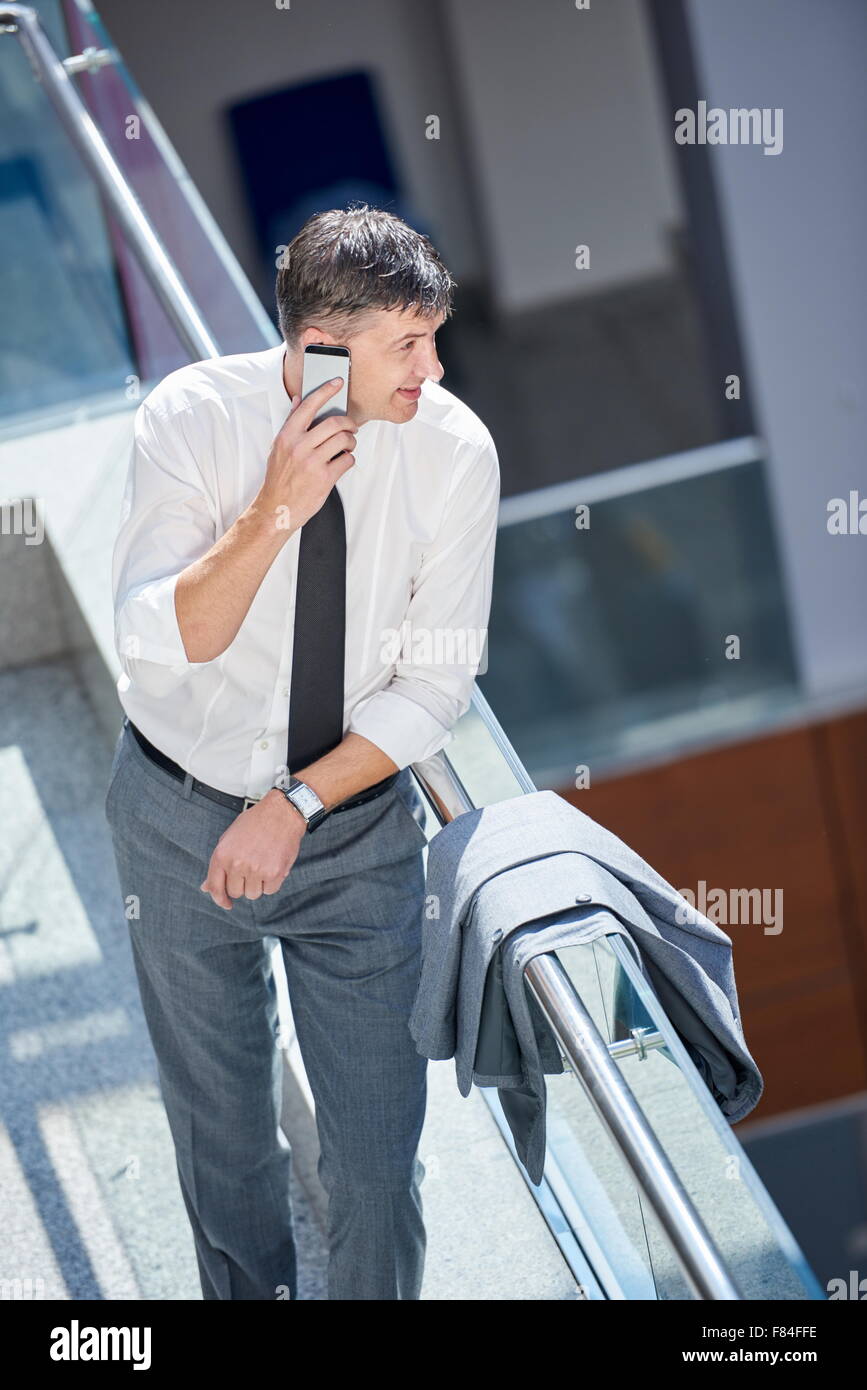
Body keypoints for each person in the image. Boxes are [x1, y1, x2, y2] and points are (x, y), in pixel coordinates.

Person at [103, 204, 500, 1301]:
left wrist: (294, 805)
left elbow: (434, 684)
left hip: (354, 836)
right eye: (405, 345)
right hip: (176, 819)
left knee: (375, 1168)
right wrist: (278, 508)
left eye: (434, 335)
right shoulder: (192, 418)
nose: (433, 366)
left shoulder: (456, 452)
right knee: (226, 1146)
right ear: (322, 345)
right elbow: (160, 638)